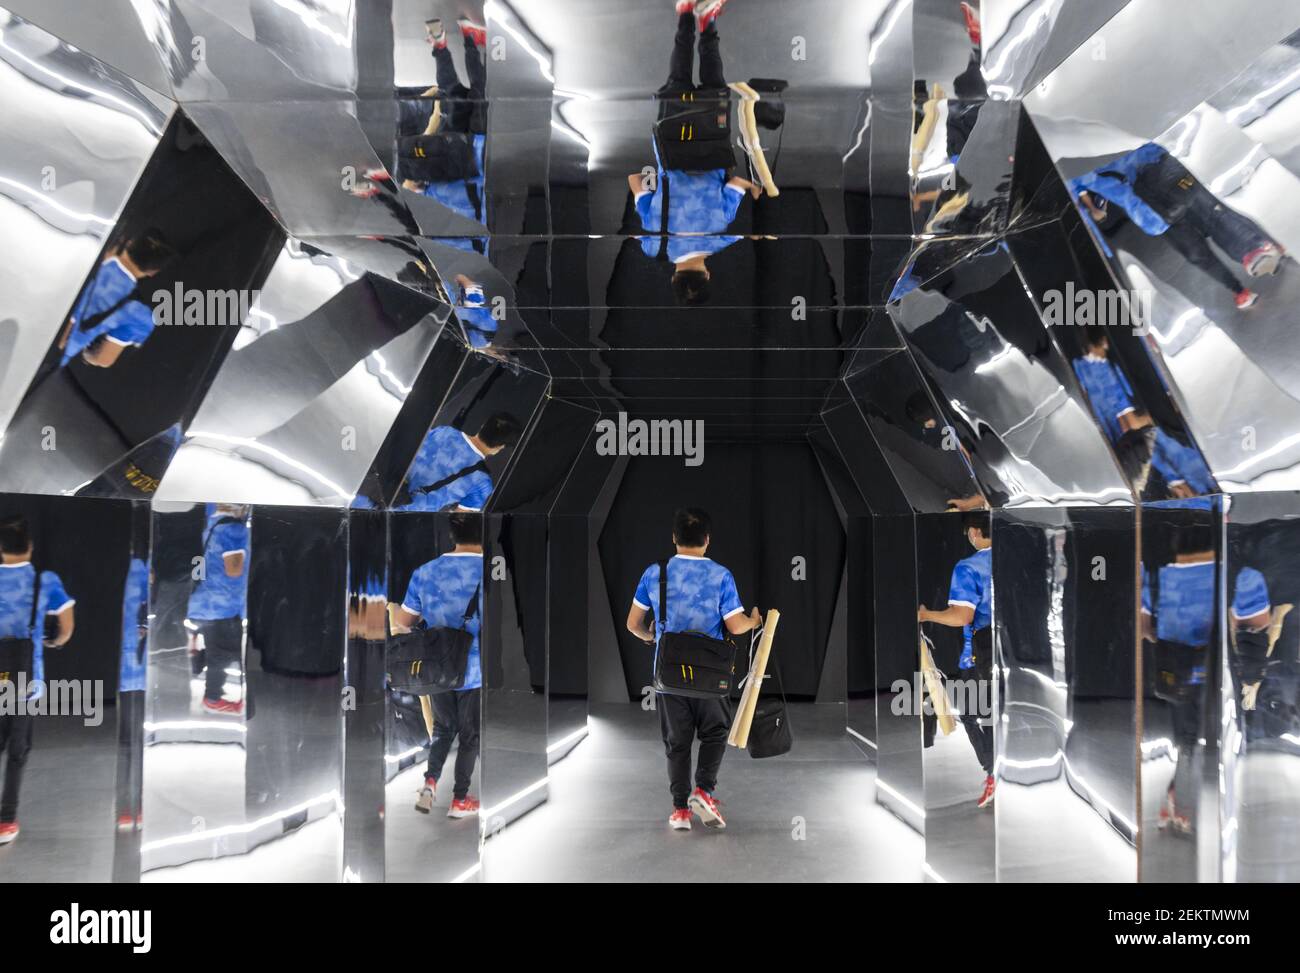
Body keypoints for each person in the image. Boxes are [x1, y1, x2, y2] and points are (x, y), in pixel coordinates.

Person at [625, 507, 762, 831]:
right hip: (711, 674)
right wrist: (755, 620)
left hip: (669, 676)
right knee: (715, 734)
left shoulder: (654, 573)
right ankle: (704, 790)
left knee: (677, 741)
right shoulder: (721, 575)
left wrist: (652, 637)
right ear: (707, 540)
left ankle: (679, 811)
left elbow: (633, 624)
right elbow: (736, 625)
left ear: (674, 538)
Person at [1141, 520, 1270, 834]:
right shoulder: (1242, 576)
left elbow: (1145, 628)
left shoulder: (1155, 575)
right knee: (1217, 739)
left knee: (1183, 738)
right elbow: (1257, 625)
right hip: (1218, 675)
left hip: (1173, 671)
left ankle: (1178, 802)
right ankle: (1198, 808)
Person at [630, 0, 761, 304]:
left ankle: (709, 21)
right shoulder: (654, 247)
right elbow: (636, 180)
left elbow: (737, 184)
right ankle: (685, 12)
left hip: (710, 142)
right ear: (674, 277)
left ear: (708, 275)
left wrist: (753, 189)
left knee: (713, 83)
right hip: (671, 144)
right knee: (678, 79)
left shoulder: (722, 237)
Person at [394, 511, 484, 819]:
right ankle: (460, 799)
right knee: (470, 735)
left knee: (443, 730)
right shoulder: (489, 572)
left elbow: (403, 622)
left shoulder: (425, 571)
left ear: (452, 535)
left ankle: (430, 783)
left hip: (437, 667)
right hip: (473, 668)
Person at [0, 515, 75, 845]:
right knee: (18, 750)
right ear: (29, 546)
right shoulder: (45, 580)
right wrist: (53, 642)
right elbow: (66, 627)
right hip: (24, 680)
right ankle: (6, 820)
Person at [918, 511, 995, 809]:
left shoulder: (968, 567)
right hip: (1015, 647)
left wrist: (927, 615)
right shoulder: (1013, 555)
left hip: (980, 652)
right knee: (998, 712)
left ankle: (993, 773)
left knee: (974, 714)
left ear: (974, 532)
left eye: (968, 533)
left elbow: (962, 615)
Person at [57, 230, 176, 368]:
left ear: (129, 243)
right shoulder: (141, 315)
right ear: (153, 272)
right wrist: (88, 353)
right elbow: (103, 359)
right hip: (48, 356)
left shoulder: (88, 248)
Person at [185, 504, 249, 716]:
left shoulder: (212, 524)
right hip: (224, 605)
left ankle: (198, 662)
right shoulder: (234, 530)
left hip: (207, 602)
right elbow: (234, 571)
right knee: (224, 654)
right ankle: (212, 698)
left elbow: (200, 565)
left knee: (221, 652)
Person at [398, 412, 522, 512]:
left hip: (384, 493)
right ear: (501, 447)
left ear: (483, 425)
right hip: (402, 519)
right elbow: (459, 521)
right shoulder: (482, 483)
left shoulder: (444, 431)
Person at [115, 544, 149, 832]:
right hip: (133, 672)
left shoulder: (142, 570)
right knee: (131, 742)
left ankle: (135, 806)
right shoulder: (136, 572)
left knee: (136, 743)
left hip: (143, 672)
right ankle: (130, 806)